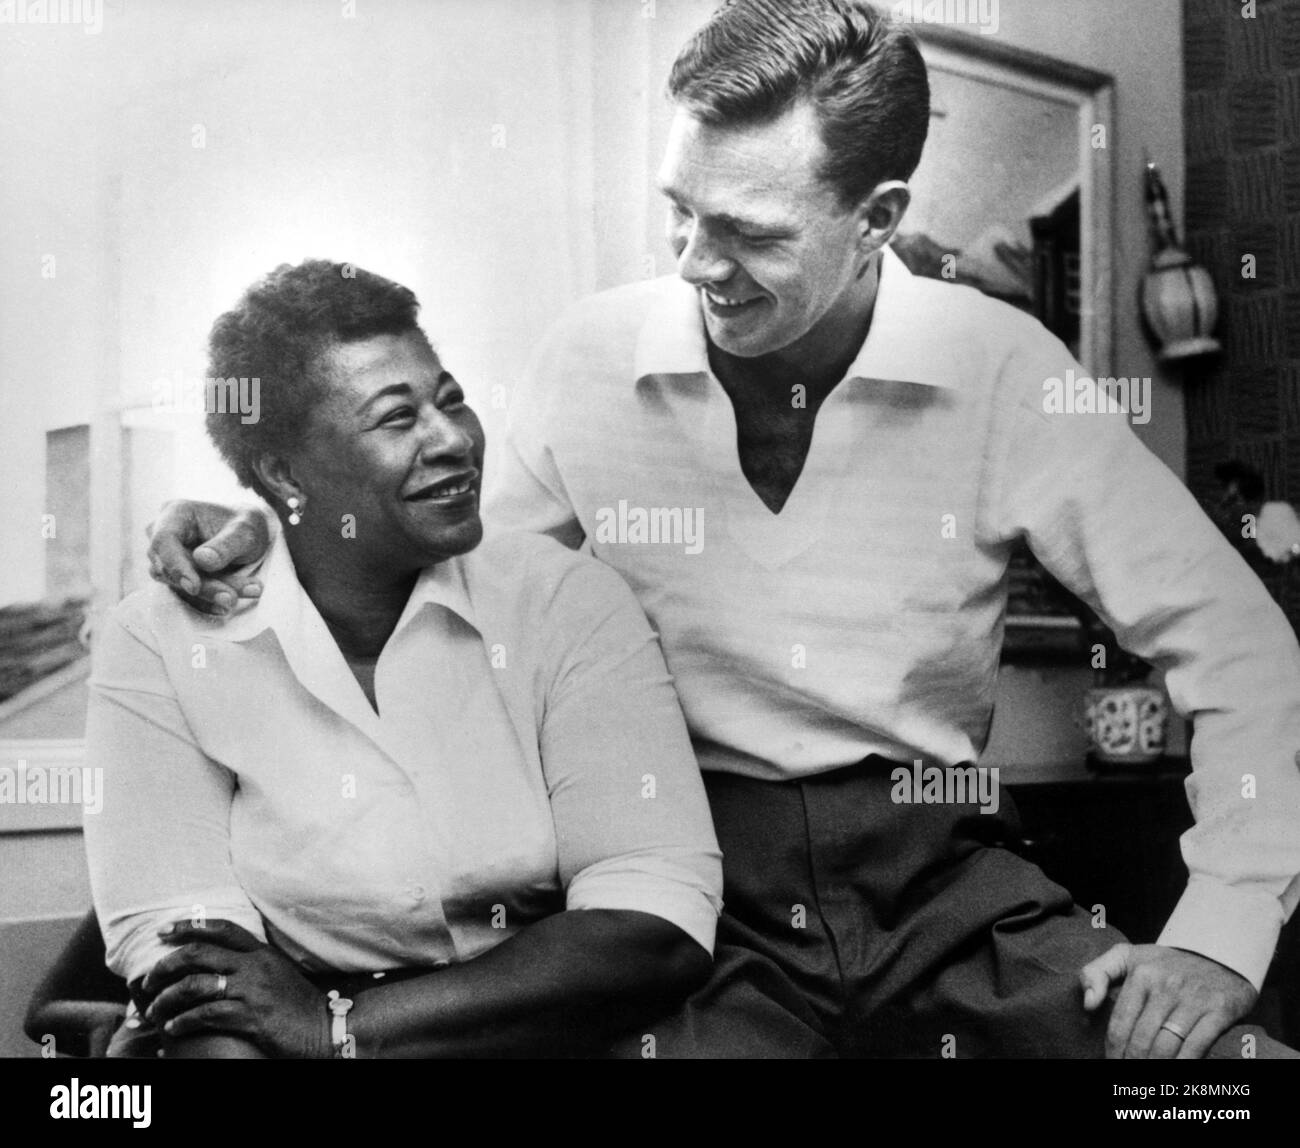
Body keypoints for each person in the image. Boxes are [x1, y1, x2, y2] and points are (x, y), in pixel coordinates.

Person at [147, 1, 1300, 1058]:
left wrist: (1220, 929)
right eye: (678, 213)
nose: (697, 263)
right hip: (684, 893)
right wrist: (282, 519)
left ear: (876, 219)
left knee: (1228, 1082)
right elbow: (452, 586)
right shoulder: (590, 359)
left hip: (944, 885)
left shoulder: (1000, 368)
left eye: (748, 231)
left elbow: (1242, 647)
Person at [85, 259, 722, 1058]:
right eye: (397, 419)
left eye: (450, 400)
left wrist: (343, 1030)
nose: (452, 440)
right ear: (285, 473)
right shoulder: (162, 642)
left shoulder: (565, 602)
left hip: (545, 1029)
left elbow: (656, 924)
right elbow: (196, 968)